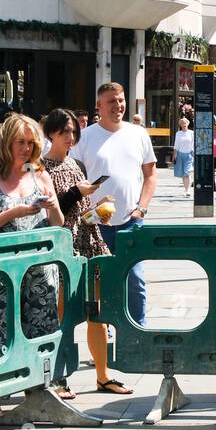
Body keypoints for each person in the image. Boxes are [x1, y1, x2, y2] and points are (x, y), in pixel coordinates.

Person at [0, 114, 64, 419]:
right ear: (6, 144)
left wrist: (53, 208)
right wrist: (14, 213)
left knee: (40, 332)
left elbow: (58, 224)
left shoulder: (40, 176)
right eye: (20, 142)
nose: (26, 148)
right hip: (0, 274)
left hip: (39, 273)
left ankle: (37, 395)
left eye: (31, 143)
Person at [41, 108, 126, 396]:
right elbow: (51, 212)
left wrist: (98, 211)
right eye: (64, 131)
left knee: (96, 311)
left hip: (88, 239)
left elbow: (80, 210)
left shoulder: (76, 164)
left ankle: (103, 375)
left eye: (73, 131)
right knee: (62, 313)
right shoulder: (40, 168)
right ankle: (57, 377)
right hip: (63, 245)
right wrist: (78, 192)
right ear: (51, 133)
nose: (70, 136)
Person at [71, 82, 156, 333]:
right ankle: (105, 330)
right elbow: (74, 179)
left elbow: (151, 175)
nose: (118, 106)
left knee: (135, 280)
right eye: (111, 101)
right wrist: (87, 208)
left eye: (121, 100)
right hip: (96, 223)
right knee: (101, 283)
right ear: (99, 106)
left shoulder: (138, 134)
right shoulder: (85, 138)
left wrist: (141, 208)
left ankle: (138, 331)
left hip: (132, 220)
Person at [172, 117, 194, 194]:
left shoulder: (192, 133)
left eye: (185, 123)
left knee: (187, 172)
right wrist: (174, 155)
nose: (183, 124)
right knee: (183, 173)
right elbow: (176, 145)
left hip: (189, 154)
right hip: (180, 154)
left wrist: (193, 153)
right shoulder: (178, 133)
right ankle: (186, 189)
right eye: (182, 123)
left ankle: (188, 190)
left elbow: (194, 144)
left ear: (188, 124)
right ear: (180, 125)